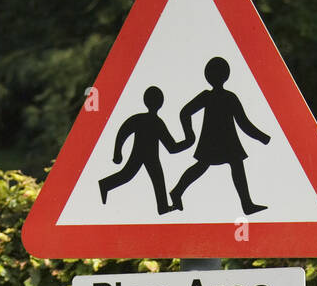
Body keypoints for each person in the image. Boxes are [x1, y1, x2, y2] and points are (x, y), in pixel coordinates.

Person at [169, 57, 271, 214]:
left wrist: (261, 136)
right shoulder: (220, 97)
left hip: (225, 141)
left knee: (225, 165)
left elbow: (243, 122)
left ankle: (246, 204)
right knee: (207, 166)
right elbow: (185, 112)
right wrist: (190, 135)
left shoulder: (222, 97)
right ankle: (177, 191)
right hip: (216, 141)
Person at [99, 86, 186, 215]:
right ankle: (104, 185)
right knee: (130, 175)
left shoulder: (147, 120)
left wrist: (117, 152)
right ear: (160, 103)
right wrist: (117, 152)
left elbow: (171, 147)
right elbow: (124, 131)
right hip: (143, 155)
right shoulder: (155, 121)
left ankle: (162, 206)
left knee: (141, 177)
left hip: (148, 156)